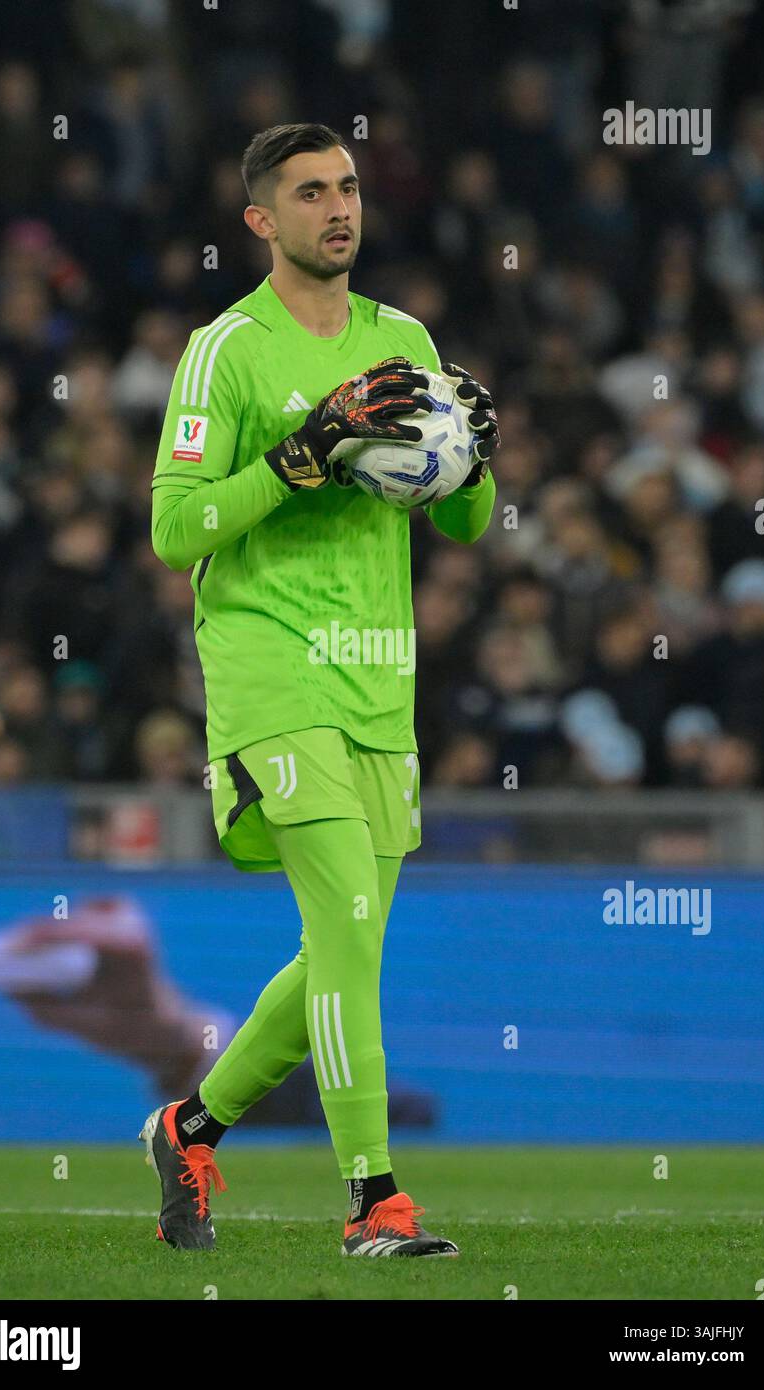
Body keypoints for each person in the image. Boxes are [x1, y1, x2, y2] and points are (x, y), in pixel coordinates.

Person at [145, 122, 498, 1257]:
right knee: (346, 926)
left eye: (346, 188)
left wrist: (475, 459)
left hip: (378, 685)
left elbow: (462, 521)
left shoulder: (403, 336)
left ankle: (189, 1125)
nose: (338, 208)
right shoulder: (225, 348)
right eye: (310, 193)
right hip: (269, 669)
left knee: (340, 952)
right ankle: (372, 1204)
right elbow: (172, 526)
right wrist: (297, 458)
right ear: (261, 220)